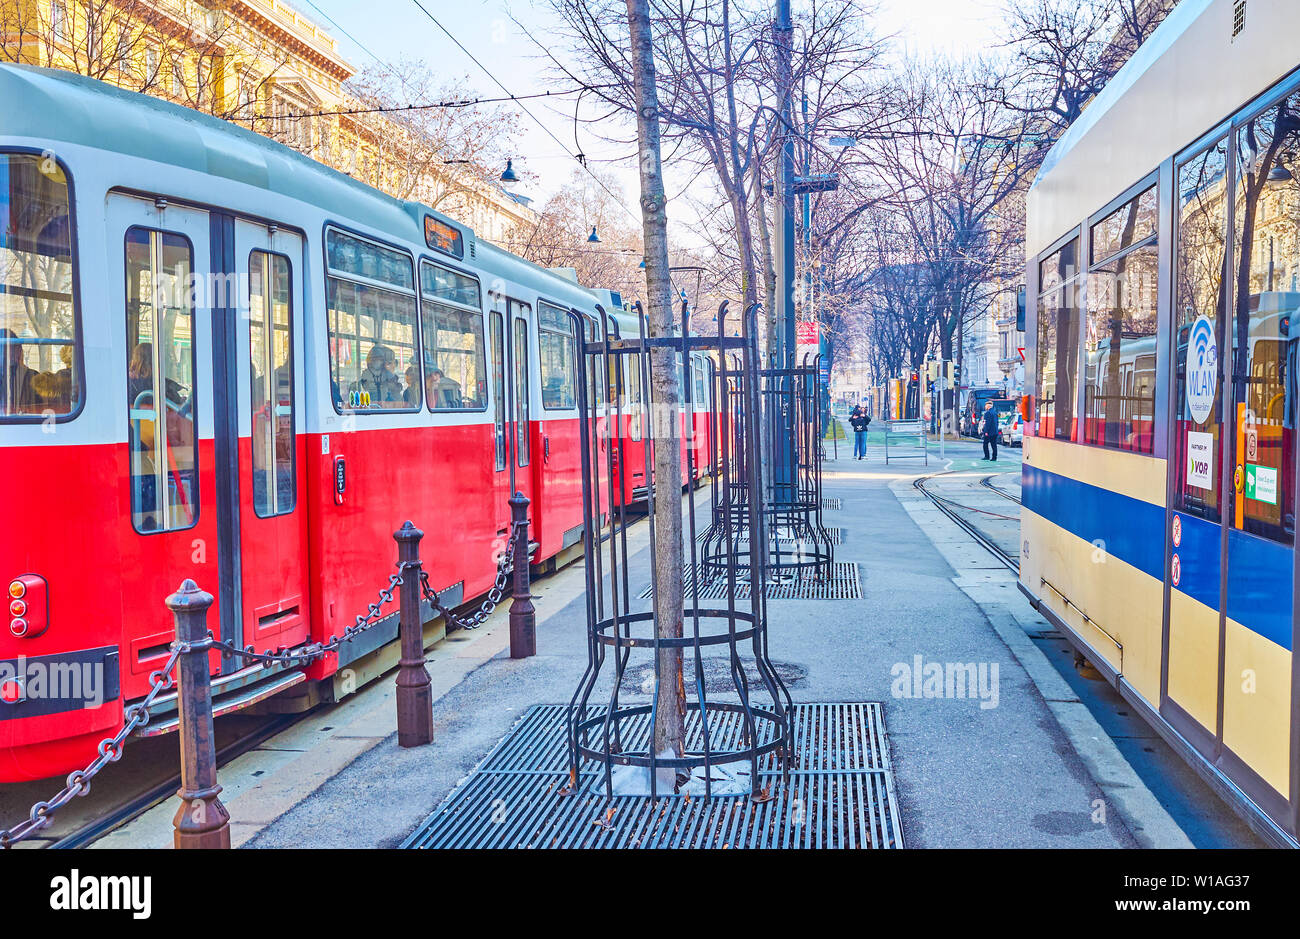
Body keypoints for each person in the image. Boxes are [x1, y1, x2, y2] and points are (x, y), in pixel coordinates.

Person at [0, 328, 35, 415]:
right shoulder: (31, 376)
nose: (3, 354)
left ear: (18, 350)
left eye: (7, 349)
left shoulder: (32, 377)